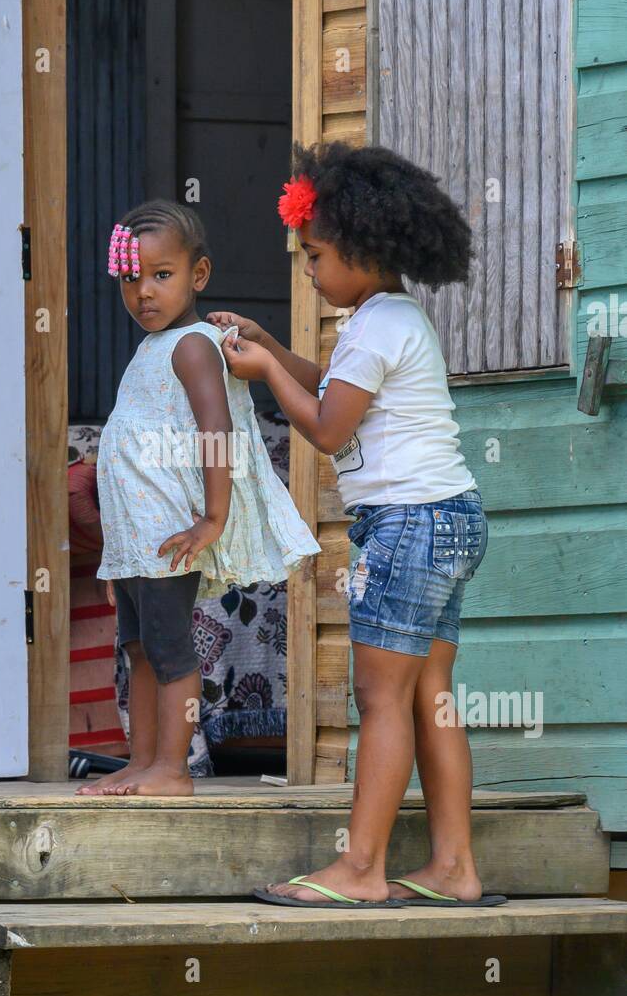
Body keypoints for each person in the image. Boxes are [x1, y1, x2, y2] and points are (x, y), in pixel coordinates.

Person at [211, 141, 506, 908]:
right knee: (429, 693)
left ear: (361, 250)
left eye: (314, 255)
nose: (307, 269)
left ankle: (362, 868)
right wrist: (274, 347)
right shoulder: (396, 319)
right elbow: (338, 389)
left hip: (407, 527)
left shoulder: (374, 327)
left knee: (380, 700)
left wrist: (267, 373)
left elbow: (329, 427)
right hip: (451, 521)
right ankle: (453, 867)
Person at [77, 200, 319, 797]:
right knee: (138, 649)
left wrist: (214, 517)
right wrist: (119, 552)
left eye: (162, 275)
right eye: (132, 279)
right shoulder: (150, 350)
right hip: (140, 542)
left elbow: (217, 428)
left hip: (169, 537)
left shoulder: (192, 345)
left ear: (198, 276)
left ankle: (173, 769)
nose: (144, 293)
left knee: (172, 653)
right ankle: (143, 761)